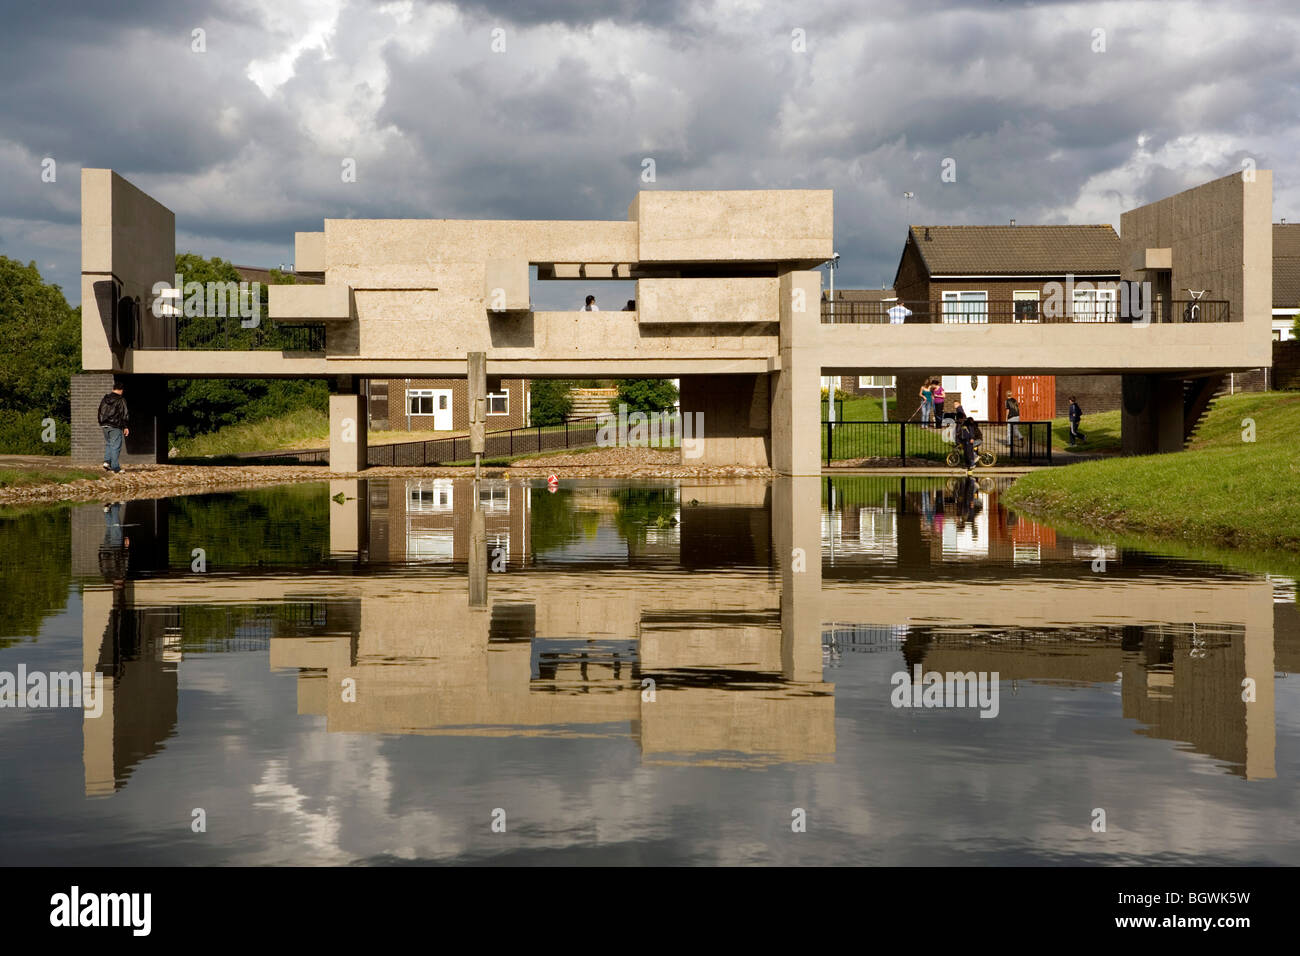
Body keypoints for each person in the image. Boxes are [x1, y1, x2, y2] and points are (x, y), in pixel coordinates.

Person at [97, 380, 130, 473]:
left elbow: (100, 411)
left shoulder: (105, 399)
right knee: (116, 446)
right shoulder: (120, 400)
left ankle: (107, 462)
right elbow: (125, 413)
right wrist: (125, 426)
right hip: (115, 425)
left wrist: (101, 422)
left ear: (113, 389)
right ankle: (116, 467)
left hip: (104, 425)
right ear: (121, 390)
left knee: (109, 443)